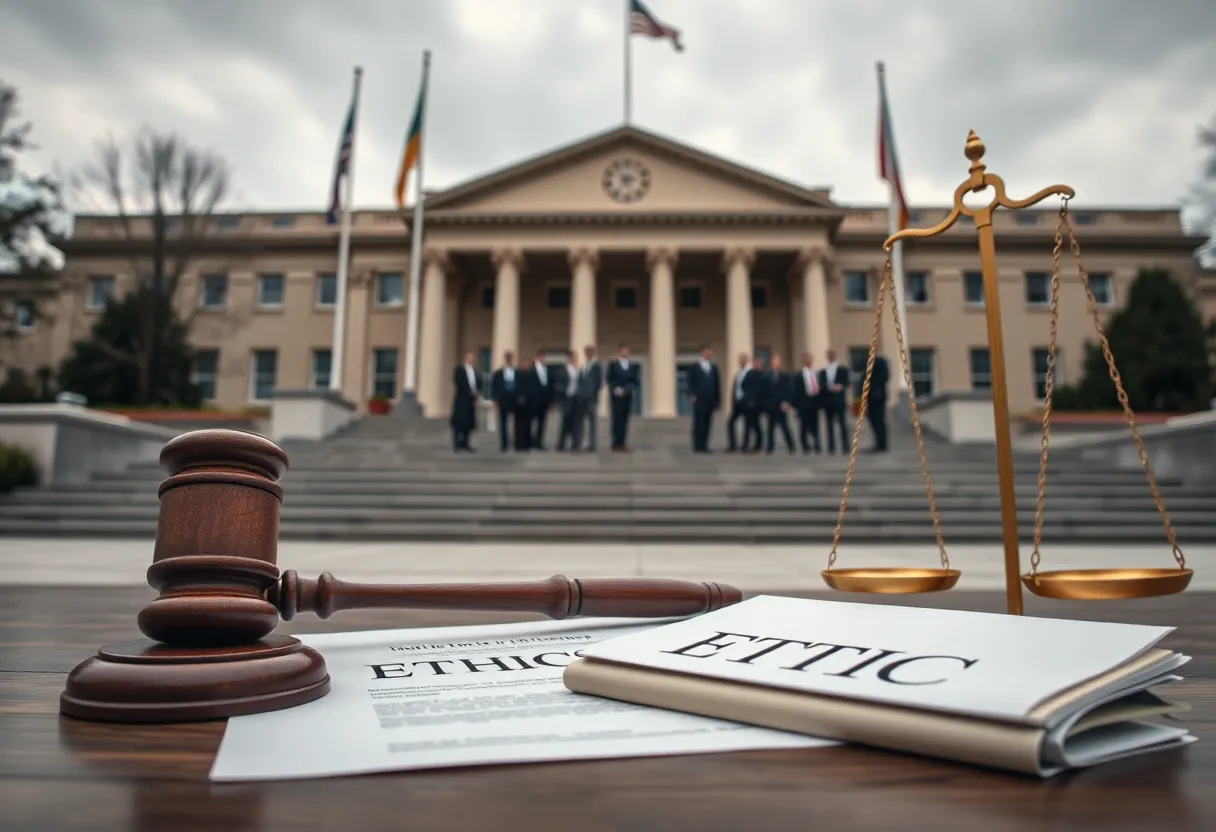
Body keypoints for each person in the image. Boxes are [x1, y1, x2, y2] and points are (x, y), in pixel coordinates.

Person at [686, 343, 721, 453]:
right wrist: (691, 394)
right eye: (705, 351)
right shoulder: (694, 367)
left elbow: (717, 385)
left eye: (709, 351)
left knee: (707, 423)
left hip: (710, 399)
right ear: (701, 352)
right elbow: (690, 382)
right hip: (699, 399)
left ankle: (705, 445)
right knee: (698, 423)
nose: (707, 353)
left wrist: (718, 400)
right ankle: (698, 445)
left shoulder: (713, 367)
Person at [490, 351, 525, 452]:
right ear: (505, 359)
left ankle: (517, 444)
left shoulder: (518, 372)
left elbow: (522, 386)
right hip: (503, 400)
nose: (509, 360)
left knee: (517, 423)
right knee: (503, 423)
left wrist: (522, 396)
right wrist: (494, 399)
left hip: (515, 400)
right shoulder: (498, 373)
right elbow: (494, 387)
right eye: (507, 358)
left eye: (510, 358)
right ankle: (504, 445)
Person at [606, 343, 639, 451]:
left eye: (627, 351)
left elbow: (635, 381)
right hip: (616, 396)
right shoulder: (613, 365)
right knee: (616, 419)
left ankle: (623, 442)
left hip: (627, 396)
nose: (626, 352)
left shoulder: (632, 366)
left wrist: (628, 389)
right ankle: (615, 442)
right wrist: (615, 389)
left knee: (625, 420)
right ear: (620, 351)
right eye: (624, 350)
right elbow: (609, 379)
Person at [763, 352, 795, 454]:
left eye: (776, 361)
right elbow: (765, 391)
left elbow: (788, 390)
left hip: (782, 405)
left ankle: (791, 446)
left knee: (784, 426)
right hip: (771, 405)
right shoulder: (767, 376)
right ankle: (770, 447)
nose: (774, 363)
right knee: (770, 427)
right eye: (773, 361)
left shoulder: (785, 376)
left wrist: (786, 402)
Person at [821, 349, 850, 454]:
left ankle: (846, 446)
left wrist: (840, 387)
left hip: (839, 401)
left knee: (843, 424)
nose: (831, 357)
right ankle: (831, 447)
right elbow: (822, 386)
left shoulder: (842, 369)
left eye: (832, 355)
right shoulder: (824, 371)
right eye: (829, 355)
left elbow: (847, 383)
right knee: (829, 426)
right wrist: (829, 388)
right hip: (828, 401)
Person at [726, 353, 758, 452]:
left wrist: (752, 401)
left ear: (747, 361)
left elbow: (753, 389)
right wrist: (732, 402)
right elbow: (735, 389)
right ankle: (732, 445)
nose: (741, 361)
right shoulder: (738, 374)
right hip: (738, 402)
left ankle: (745, 445)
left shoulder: (751, 373)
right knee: (730, 422)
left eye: (743, 359)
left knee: (747, 425)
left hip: (746, 402)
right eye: (740, 360)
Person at [793, 351, 823, 454]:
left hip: (814, 403)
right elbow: (795, 391)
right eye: (807, 359)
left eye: (810, 359)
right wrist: (796, 405)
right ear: (804, 361)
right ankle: (805, 445)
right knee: (804, 426)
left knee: (815, 425)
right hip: (803, 404)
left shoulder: (816, 373)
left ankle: (817, 444)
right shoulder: (799, 375)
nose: (809, 361)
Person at [449, 352, 479, 452]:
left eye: (473, 359)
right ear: (466, 359)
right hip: (461, 400)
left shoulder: (474, 371)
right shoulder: (459, 370)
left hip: (471, 401)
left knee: (468, 424)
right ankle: (457, 444)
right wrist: (469, 391)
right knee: (458, 423)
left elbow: (478, 383)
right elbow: (458, 383)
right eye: (470, 359)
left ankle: (466, 443)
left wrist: (475, 392)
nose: (471, 361)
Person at [576, 344, 603, 452]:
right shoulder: (583, 366)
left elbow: (598, 383)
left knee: (592, 422)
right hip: (581, 398)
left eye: (590, 352)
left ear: (593, 354)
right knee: (580, 422)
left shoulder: (597, 367)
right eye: (587, 352)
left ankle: (592, 444)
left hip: (591, 398)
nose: (588, 354)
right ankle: (580, 443)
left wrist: (595, 396)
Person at [527, 351, 554, 451]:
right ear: (537, 357)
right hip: (533, 401)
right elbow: (528, 386)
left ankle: (539, 442)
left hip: (544, 401)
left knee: (542, 423)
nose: (543, 359)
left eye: (544, 357)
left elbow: (550, 386)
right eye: (542, 357)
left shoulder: (547, 369)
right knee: (531, 422)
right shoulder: (531, 369)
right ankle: (530, 441)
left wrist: (551, 401)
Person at [557, 353, 582, 451]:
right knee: (565, 422)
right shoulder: (563, 370)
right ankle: (561, 444)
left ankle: (575, 444)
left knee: (575, 423)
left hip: (576, 398)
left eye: (576, 358)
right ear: (570, 358)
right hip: (566, 399)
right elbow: (558, 385)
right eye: (574, 358)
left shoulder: (578, 370)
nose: (575, 360)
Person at [867, 354, 891, 453]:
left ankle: (882, 444)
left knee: (879, 420)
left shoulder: (880, 363)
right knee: (874, 420)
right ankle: (878, 442)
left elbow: (884, 378)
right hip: (871, 397)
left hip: (878, 397)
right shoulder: (869, 364)